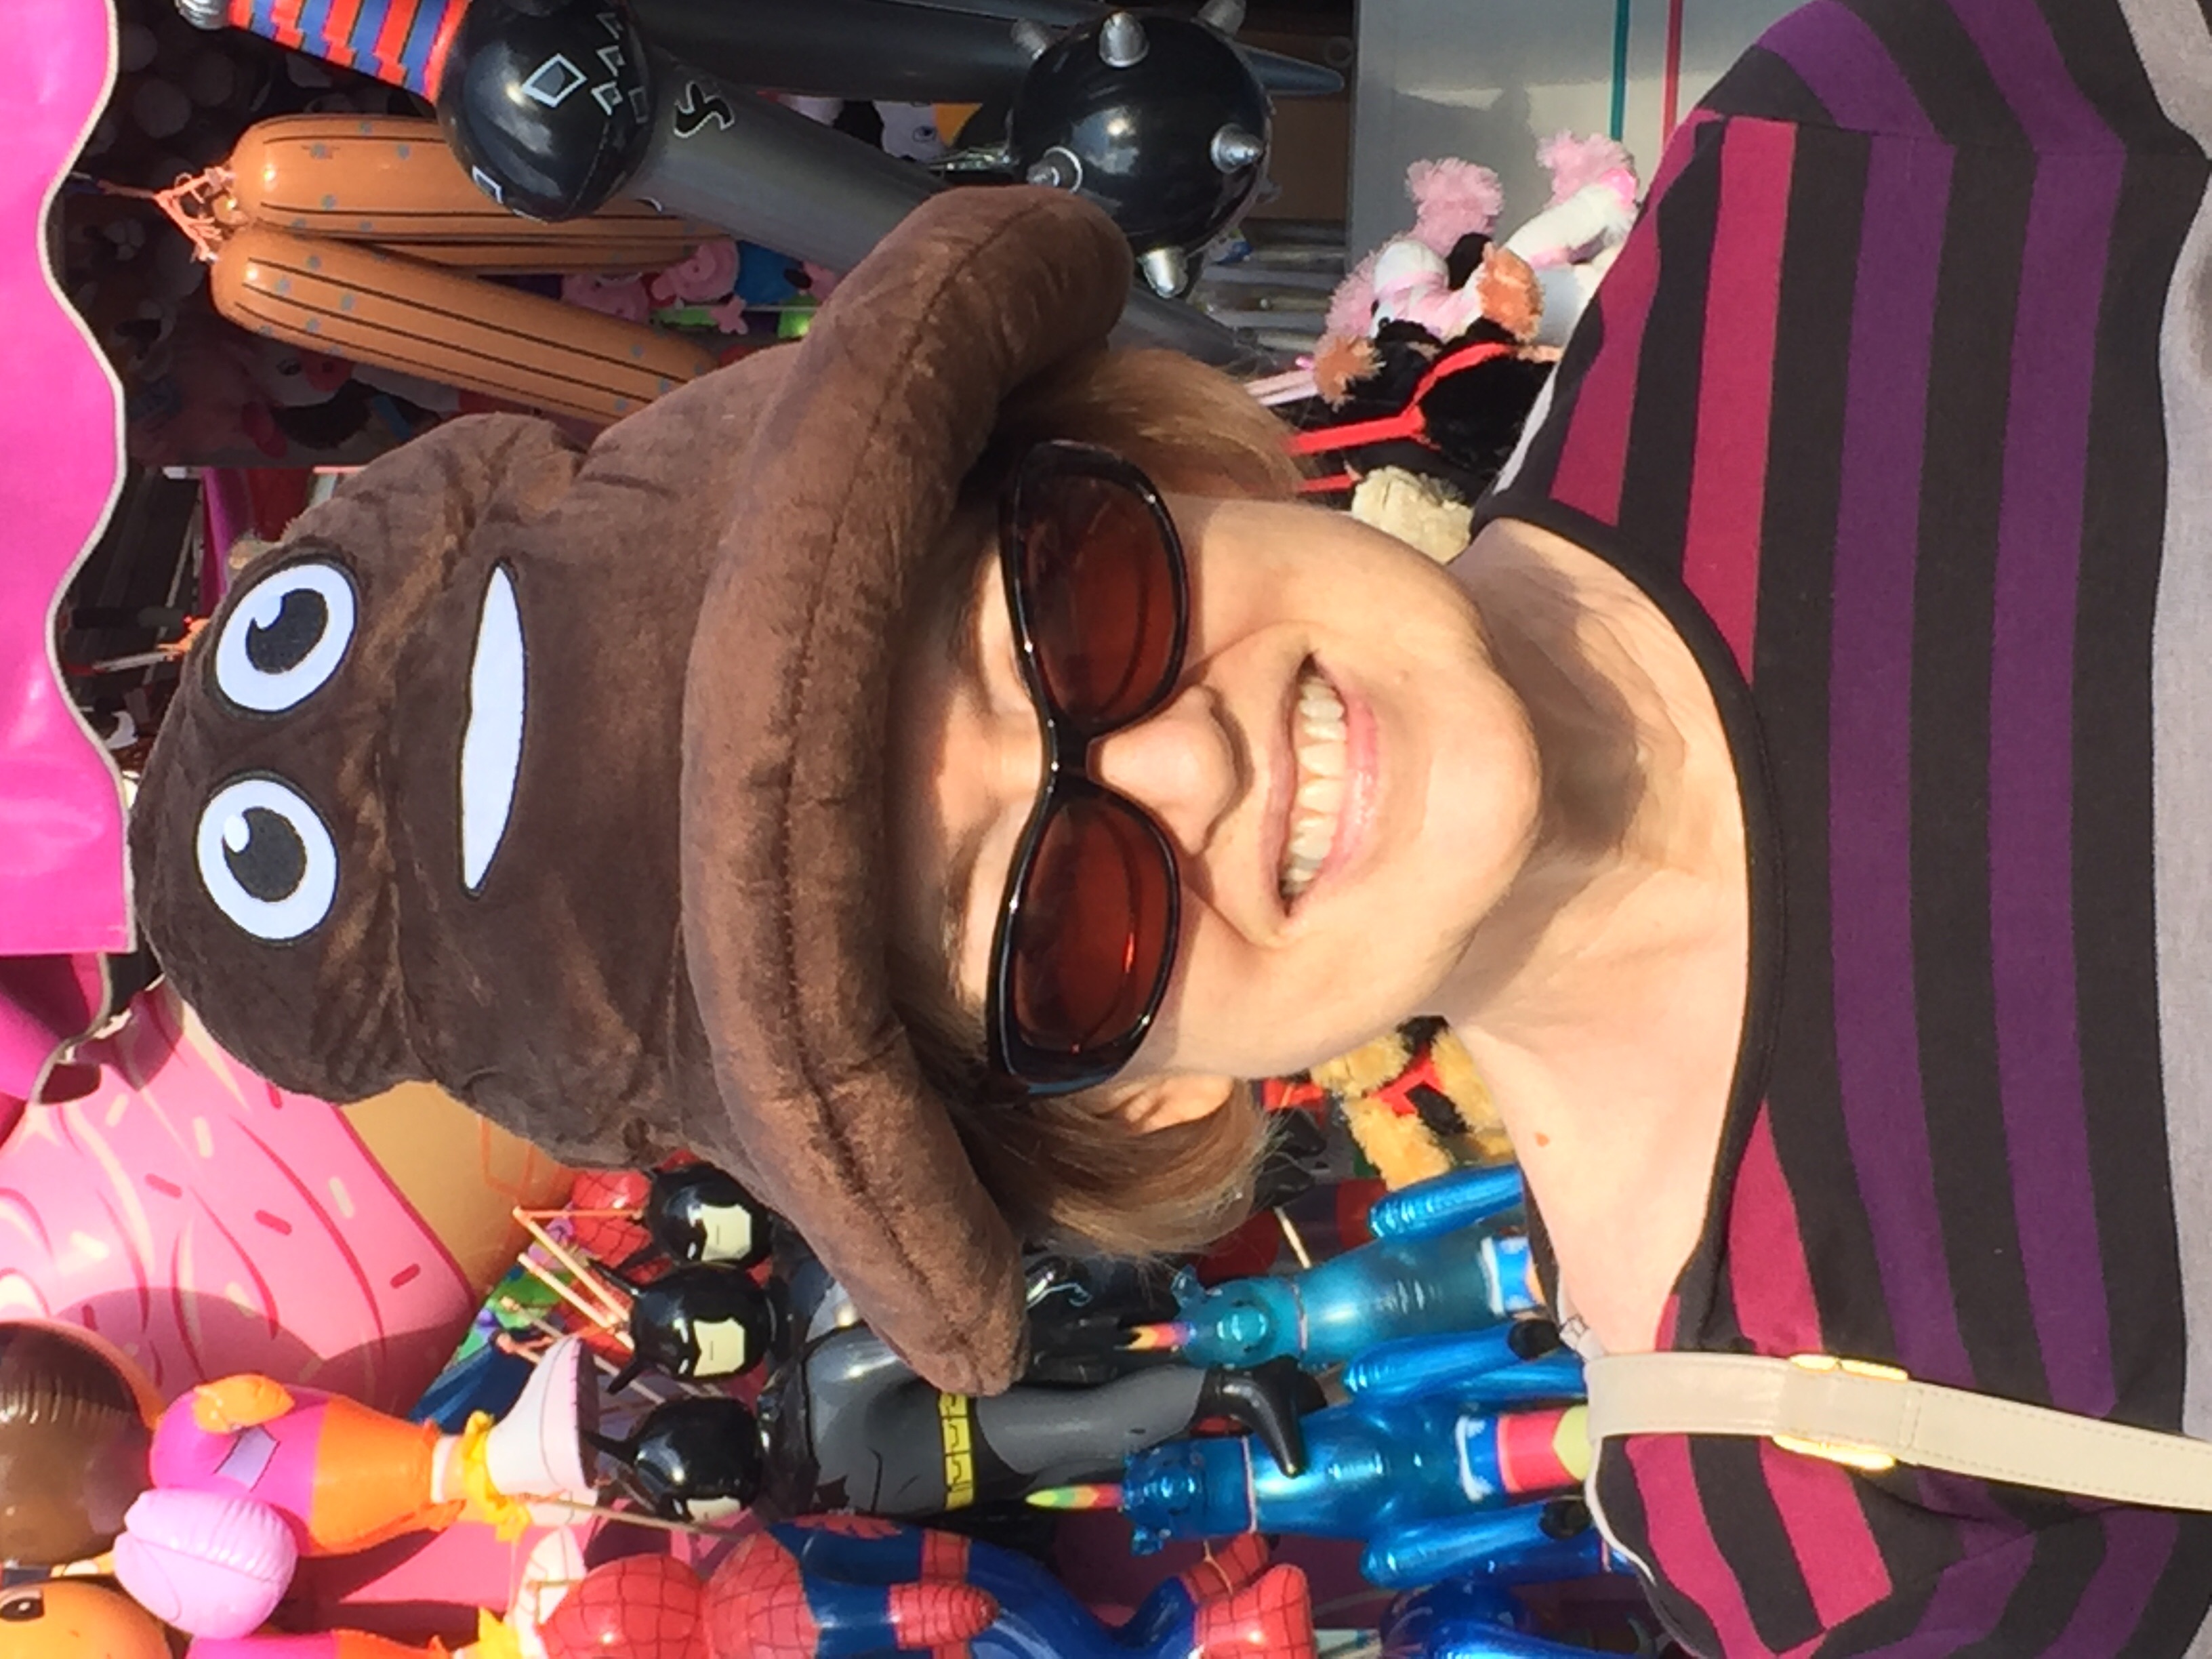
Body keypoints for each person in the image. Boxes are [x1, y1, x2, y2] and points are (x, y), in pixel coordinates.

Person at [127, 0, 2212, 1641]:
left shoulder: (1862, 178)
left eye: (1068, 599)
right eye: (1063, 925)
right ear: (1106, 1105)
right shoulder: (1815, 1523)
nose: (1189, 765)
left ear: (1104, 445)